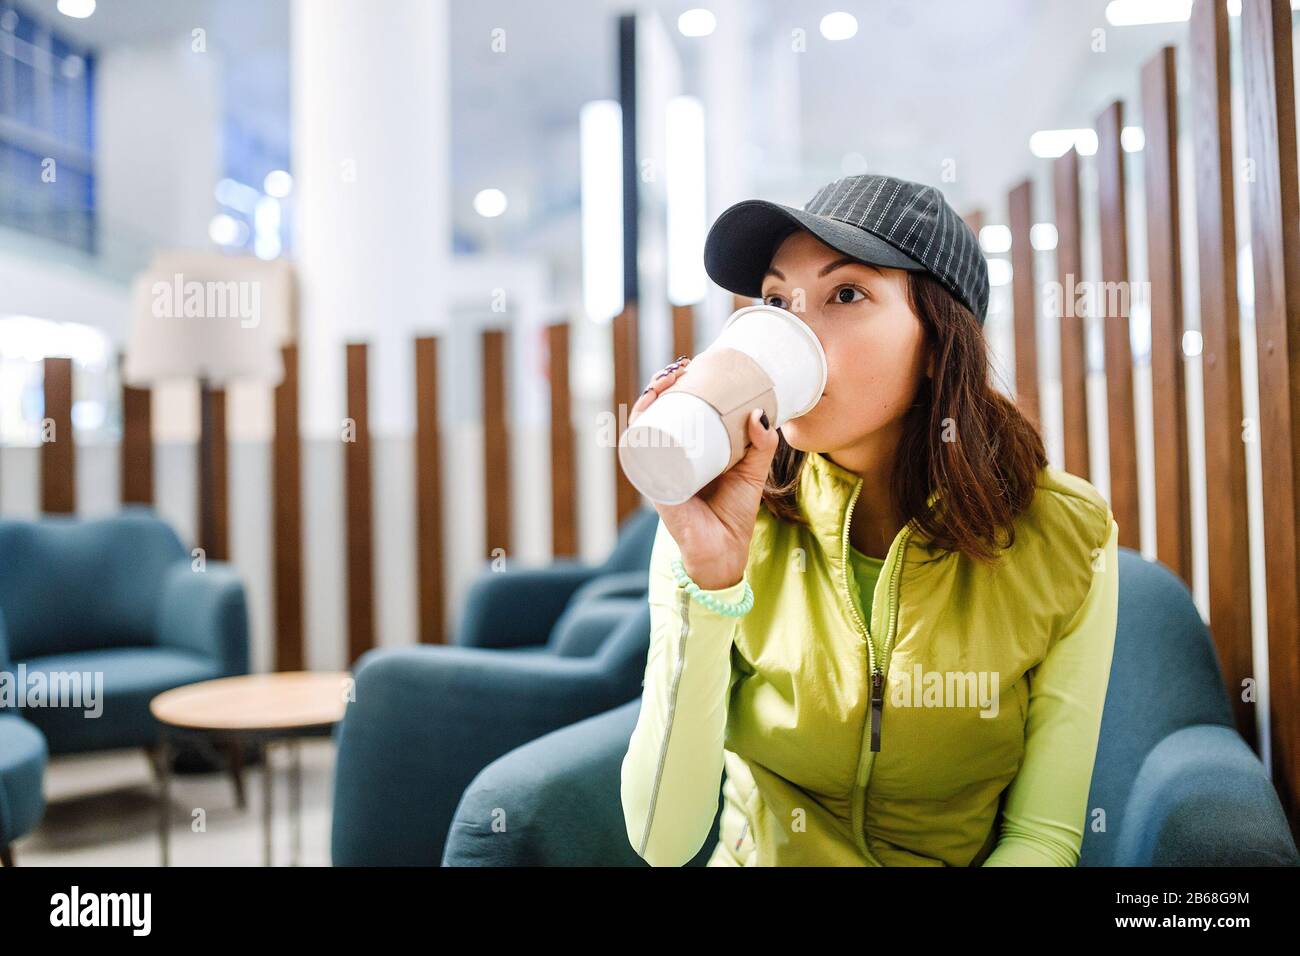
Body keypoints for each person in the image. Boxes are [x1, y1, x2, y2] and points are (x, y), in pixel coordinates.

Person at [619, 173, 1120, 867]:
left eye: (845, 294)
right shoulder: (724, 516)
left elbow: (1042, 837)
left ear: (941, 343)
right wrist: (707, 587)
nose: (792, 330)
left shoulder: (1067, 534)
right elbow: (662, 843)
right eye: (775, 300)